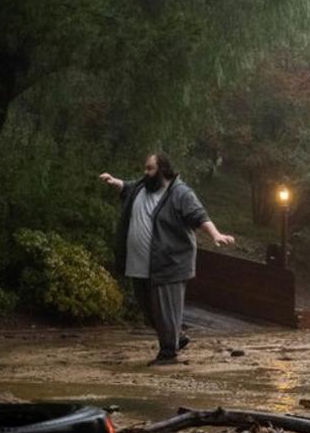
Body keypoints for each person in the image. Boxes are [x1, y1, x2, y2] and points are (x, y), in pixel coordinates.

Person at [100, 151, 234, 365]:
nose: (146, 173)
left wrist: (216, 235)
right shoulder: (141, 187)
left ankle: (168, 353)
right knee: (148, 310)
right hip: (140, 264)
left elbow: (200, 216)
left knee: (165, 310)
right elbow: (126, 186)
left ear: (162, 170)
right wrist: (113, 181)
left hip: (169, 263)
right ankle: (176, 337)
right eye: (145, 168)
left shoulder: (180, 193)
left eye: (150, 169)